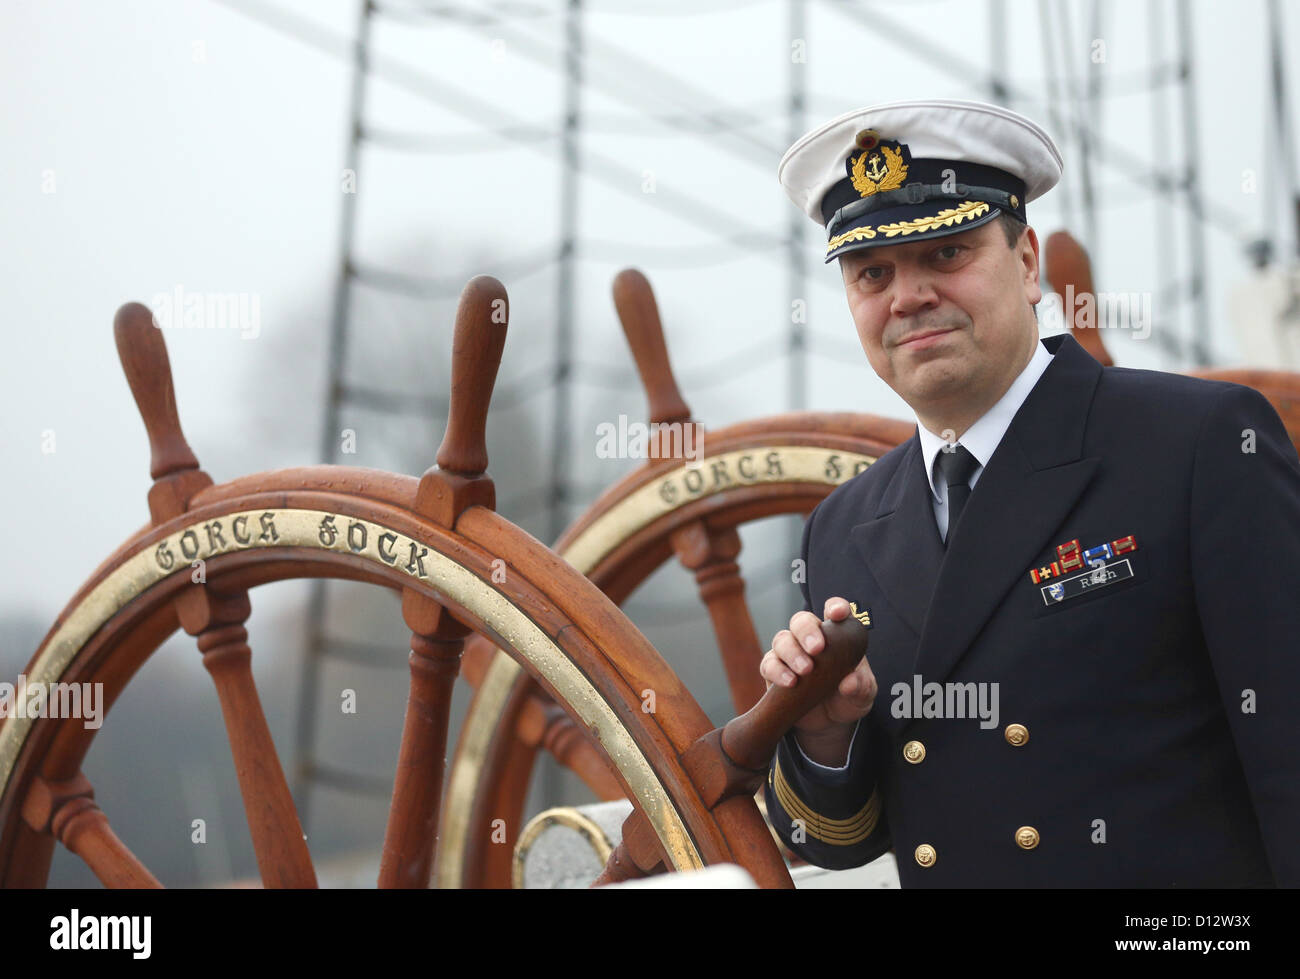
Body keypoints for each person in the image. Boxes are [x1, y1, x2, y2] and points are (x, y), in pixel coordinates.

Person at [760, 98, 1300, 887]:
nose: (907, 296)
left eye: (947, 253)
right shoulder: (841, 529)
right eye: (872, 272)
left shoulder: (1199, 445)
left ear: (1025, 261)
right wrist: (819, 734)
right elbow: (835, 843)